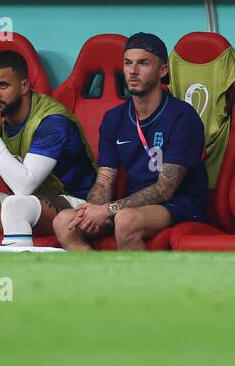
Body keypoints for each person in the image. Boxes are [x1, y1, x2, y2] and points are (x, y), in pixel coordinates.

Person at [53, 34, 210, 250]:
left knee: (126, 220)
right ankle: (98, 279)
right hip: (127, 208)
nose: (133, 71)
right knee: (64, 222)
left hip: (179, 205)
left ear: (162, 70)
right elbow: (105, 180)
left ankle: (137, 284)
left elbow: (165, 189)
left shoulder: (183, 117)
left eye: (143, 63)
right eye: (128, 63)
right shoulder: (113, 118)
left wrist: (109, 209)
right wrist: (92, 209)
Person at [0, 50, 97, 250]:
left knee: (17, 204)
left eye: (3, 85)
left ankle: (17, 278)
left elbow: (24, 186)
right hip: (27, 205)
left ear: (24, 86)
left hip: (76, 205)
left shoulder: (52, 121)